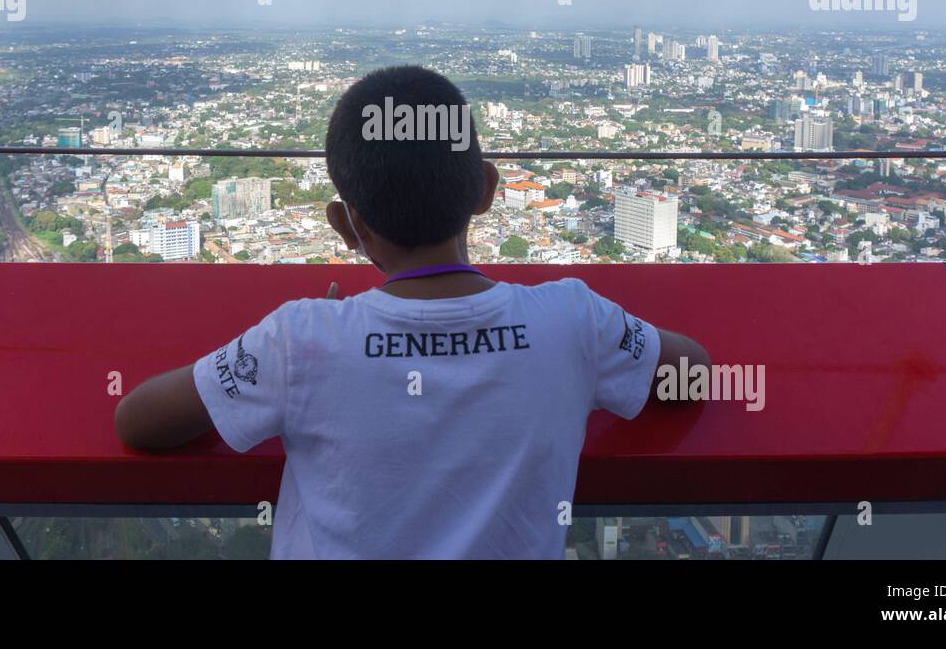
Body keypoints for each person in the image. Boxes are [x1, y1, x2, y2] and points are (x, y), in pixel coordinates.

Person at [114, 64, 709, 558]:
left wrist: (314, 337)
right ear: (486, 190)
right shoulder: (573, 321)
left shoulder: (302, 340)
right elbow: (692, 372)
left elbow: (138, 421)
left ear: (346, 226)